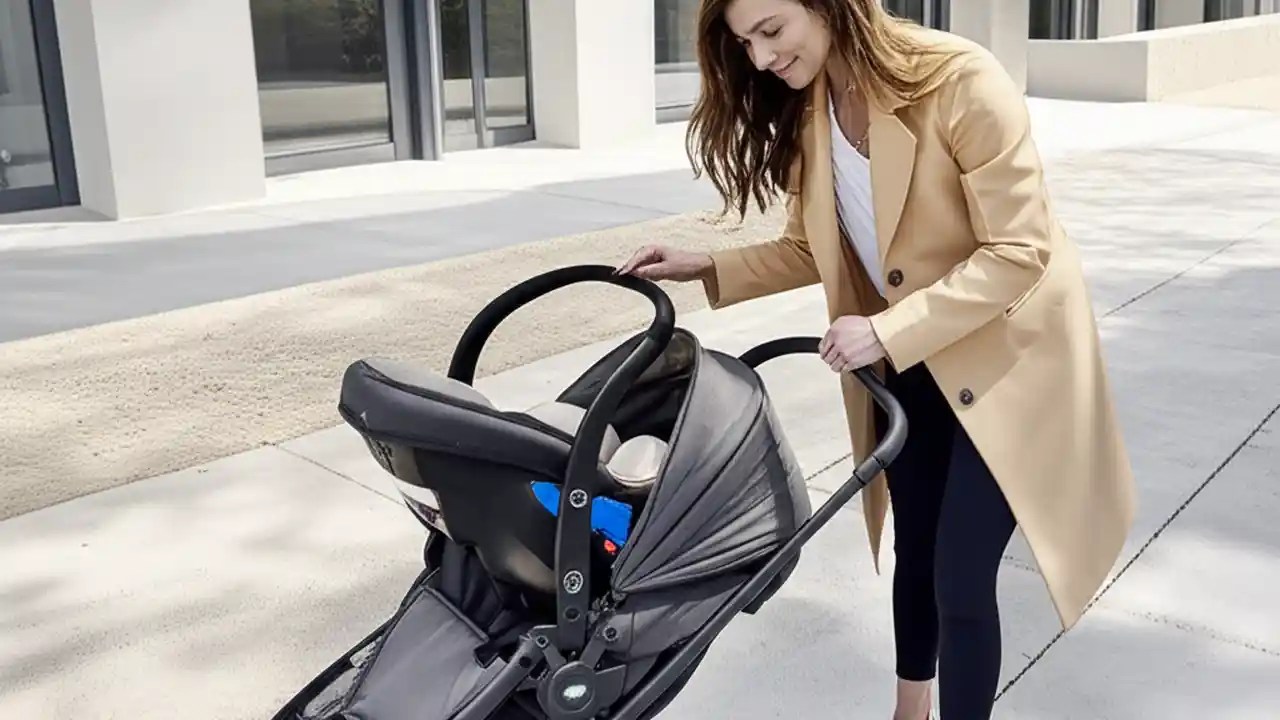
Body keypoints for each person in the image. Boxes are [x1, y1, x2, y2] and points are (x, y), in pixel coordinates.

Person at [616, 1, 1136, 719]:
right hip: (914, 361)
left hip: (1009, 365)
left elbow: (1020, 252)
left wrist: (889, 330)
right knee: (915, 545)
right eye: (746, 43)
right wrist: (706, 264)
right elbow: (812, 246)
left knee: (959, 573)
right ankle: (909, 710)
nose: (762, 59)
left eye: (772, 31)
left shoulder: (960, 83)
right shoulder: (813, 110)